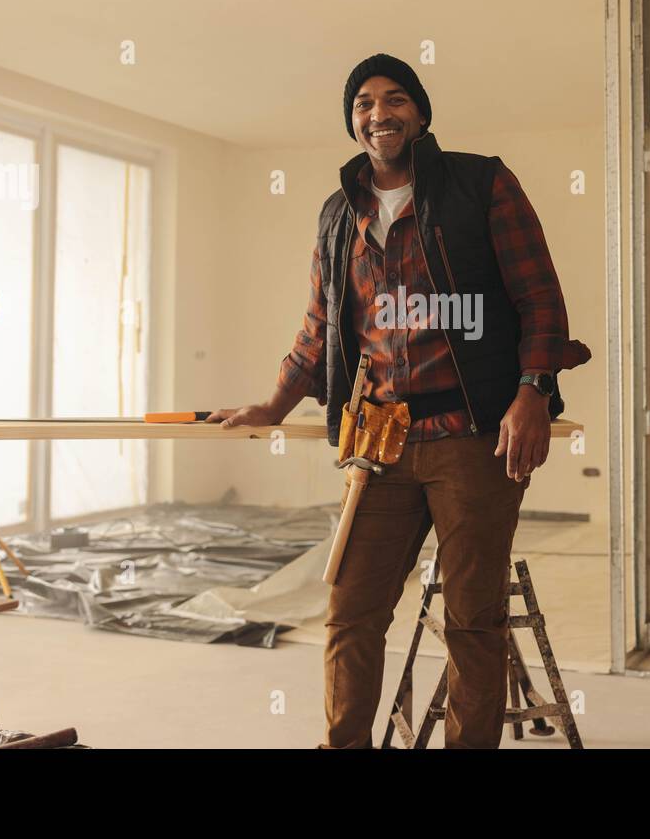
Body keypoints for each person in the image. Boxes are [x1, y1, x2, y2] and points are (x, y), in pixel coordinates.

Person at [207, 52, 590, 748]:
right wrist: (272, 403)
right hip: (378, 437)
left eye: (394, 99)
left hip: (472, 432)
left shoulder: (481, 184)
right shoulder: (337, 215)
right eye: (363, 104)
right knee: (351, 608)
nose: (378, 113)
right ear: (353, 122)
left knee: (473, 618)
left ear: (420, 112)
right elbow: (320, 328)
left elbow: (540, 299)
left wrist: (533, 392)